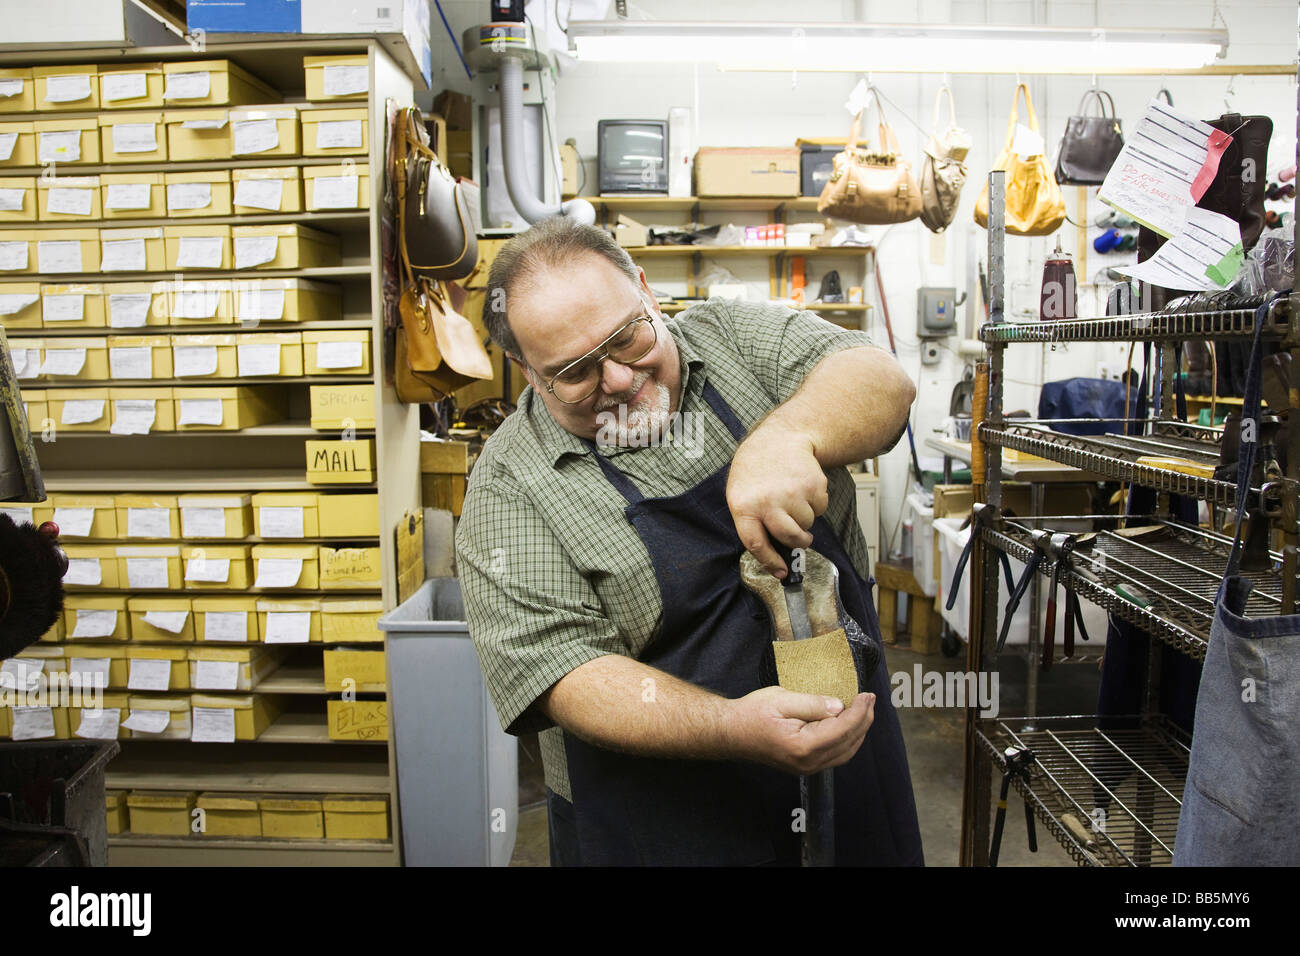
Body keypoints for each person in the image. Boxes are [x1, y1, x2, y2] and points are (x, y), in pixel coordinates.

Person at [455, 217, 923, 866]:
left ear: (646, 290)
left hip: (847, 755)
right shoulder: (509, 488)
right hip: (655, 814)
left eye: (628, 336)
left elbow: (883, 381)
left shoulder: (732, 338)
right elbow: (560, 670)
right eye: (575, 371)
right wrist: (730, 726)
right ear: (526, 371)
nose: (618, 380)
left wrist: (791, 435)